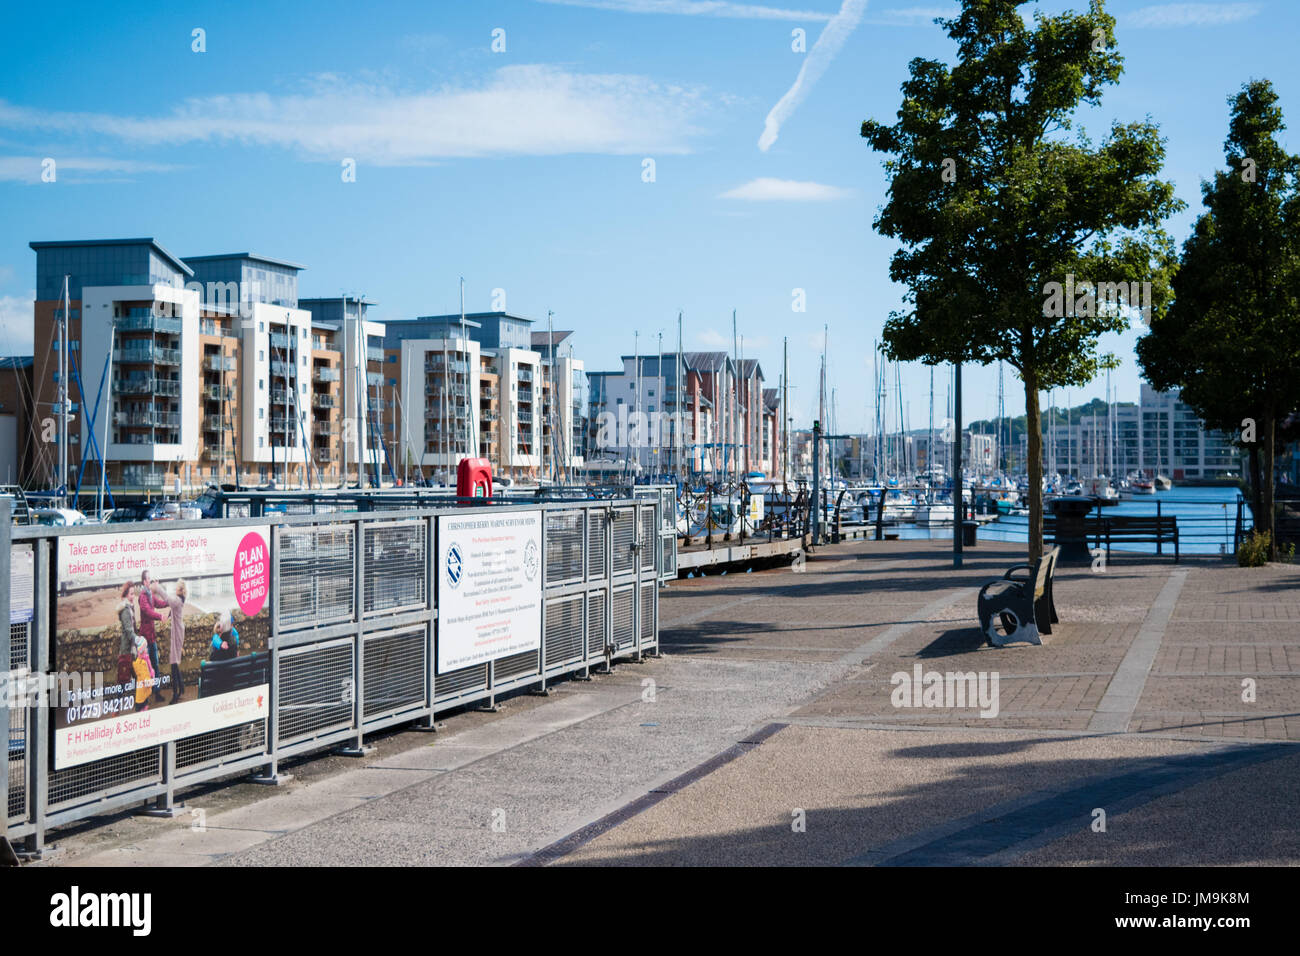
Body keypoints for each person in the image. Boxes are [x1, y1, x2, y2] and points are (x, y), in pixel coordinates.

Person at [155, 578, 188, 705]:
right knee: (175, 662)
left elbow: (168, 599)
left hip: (178, 633)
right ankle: (181, 688)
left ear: (180, 589)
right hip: (178, 631)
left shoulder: (177, 600)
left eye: (176, 587)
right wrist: (168, 617)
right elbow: (172, 609)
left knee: (173, 663)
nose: (175, 588)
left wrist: (158, 587)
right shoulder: (179, 599)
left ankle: (175, 694)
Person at [138, 570, 168, 703]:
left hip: (152, 637)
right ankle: (144, 696)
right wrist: (160, 616)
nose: (150, 581)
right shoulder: (143, 596)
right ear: (144, 581)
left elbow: (159, 603)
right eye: (149, 579)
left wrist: (170, 601)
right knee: (145, 668)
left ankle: (157, 693)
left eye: (151, 579)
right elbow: (148, 612)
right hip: (144, 638)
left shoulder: (150, 594)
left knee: (155, 666)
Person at [117, 581, 139, 685]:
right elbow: (129, 630)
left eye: (133, 593)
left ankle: (141, 699)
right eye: (131, 594)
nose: (133, 596)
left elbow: (133, 628)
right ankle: (119, 697)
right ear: (126, 594)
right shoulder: (126, 610)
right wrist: (138, 641)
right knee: (124, 678)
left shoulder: (130, 607)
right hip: (127, 649)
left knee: (134, 675)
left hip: (131, 648)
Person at [131, 636, 153, 711]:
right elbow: (145, 678)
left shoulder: (144, 660)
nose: (147, 649)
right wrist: (152, 681)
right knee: (141, 708)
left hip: (144, 692)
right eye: (145, 648)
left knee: (144, 705)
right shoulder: (141, 663)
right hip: (142, 693)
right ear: (142, 650)